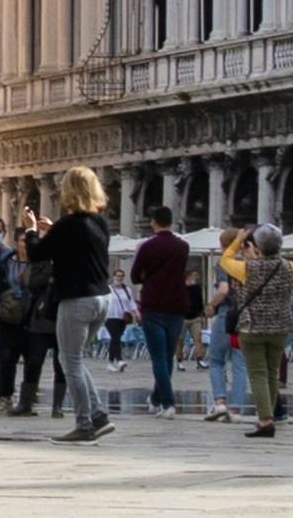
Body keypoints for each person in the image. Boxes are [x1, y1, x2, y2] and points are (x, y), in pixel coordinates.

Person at [34, 171, 118, 439]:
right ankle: (99, 416)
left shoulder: (69, 224)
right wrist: (52, 231)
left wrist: (32, 230)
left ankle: (84, 426)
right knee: (74, 359)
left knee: (69, 361)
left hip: (77, 299)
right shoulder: (99, 222)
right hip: (102, 298)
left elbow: (36, 254)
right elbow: (76, 247)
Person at [225, 224, 293, 436]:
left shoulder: (247, 268)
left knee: (258, 373)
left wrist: (238, 241)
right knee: (272, 373)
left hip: (252, 327)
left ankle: (265, 420)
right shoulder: (290, 266)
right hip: (280, 326)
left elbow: (225, 261)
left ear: (258, 245)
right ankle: (269, 417)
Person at [128, 209, 197, 413]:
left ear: (153, 222)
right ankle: (156, 399)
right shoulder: (182, 246)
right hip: (176, 305)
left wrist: (148, 279)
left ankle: (168, 402)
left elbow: (134, 276)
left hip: (153, 305)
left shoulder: (147, 246)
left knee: (158, 357)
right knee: (168, 356)